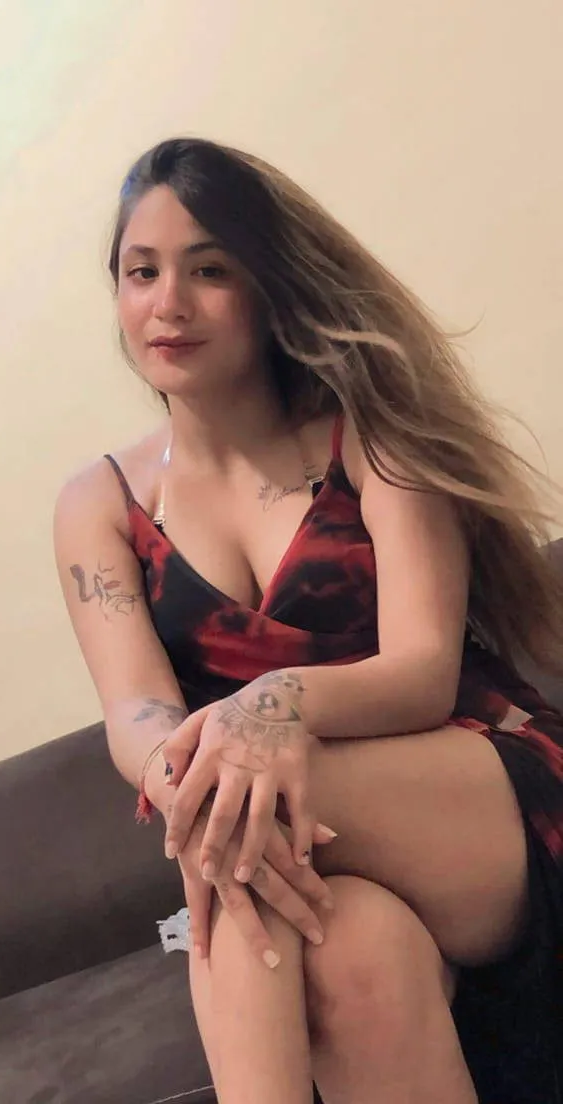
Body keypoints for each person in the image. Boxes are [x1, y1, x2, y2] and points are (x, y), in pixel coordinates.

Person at [54, 137, 563, 1104]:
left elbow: (421, 671)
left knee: (247, 808)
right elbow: (135, 711)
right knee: (350, 952)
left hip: (474, 788)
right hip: (296, 833)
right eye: (141, 272)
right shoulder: (99, 504)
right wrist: (185, 775)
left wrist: (270, 706)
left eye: (209, 270)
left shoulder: (369, 433)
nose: (168, 303)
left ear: (268, 285)